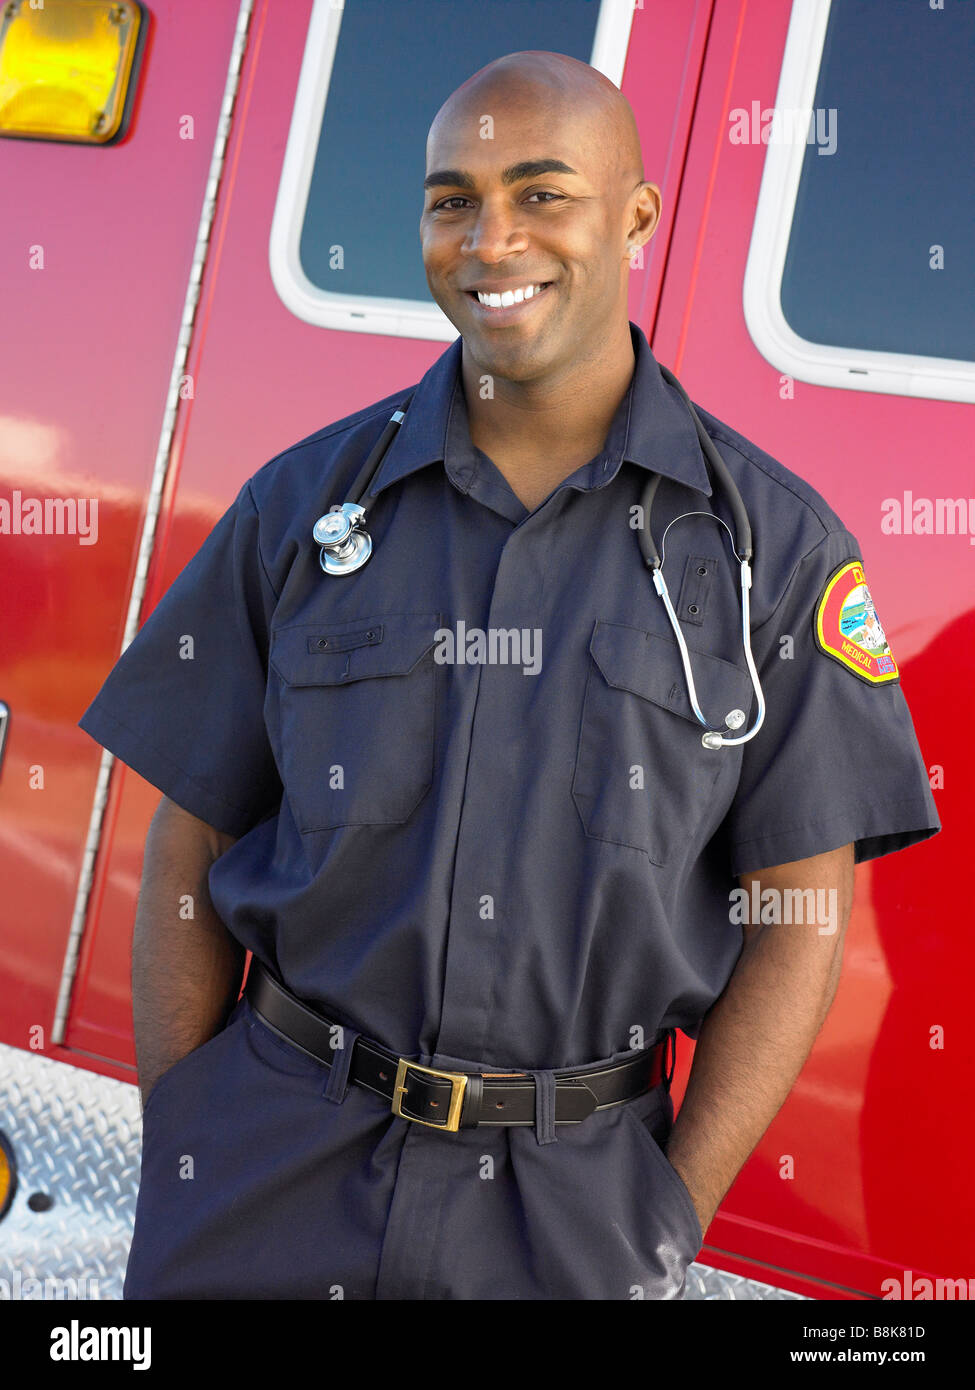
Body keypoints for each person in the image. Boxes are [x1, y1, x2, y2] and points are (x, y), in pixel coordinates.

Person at [78, 51, 940, 1300]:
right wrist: (187, 1144)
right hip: (270, 1166)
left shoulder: (775, 553)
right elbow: (188, 844)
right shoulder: (305, 507)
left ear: (636, 217)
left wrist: (662, 1215)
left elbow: (800, 920)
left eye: (543, 194)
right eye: (450, 200)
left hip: (566, 1214)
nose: (490, 240)